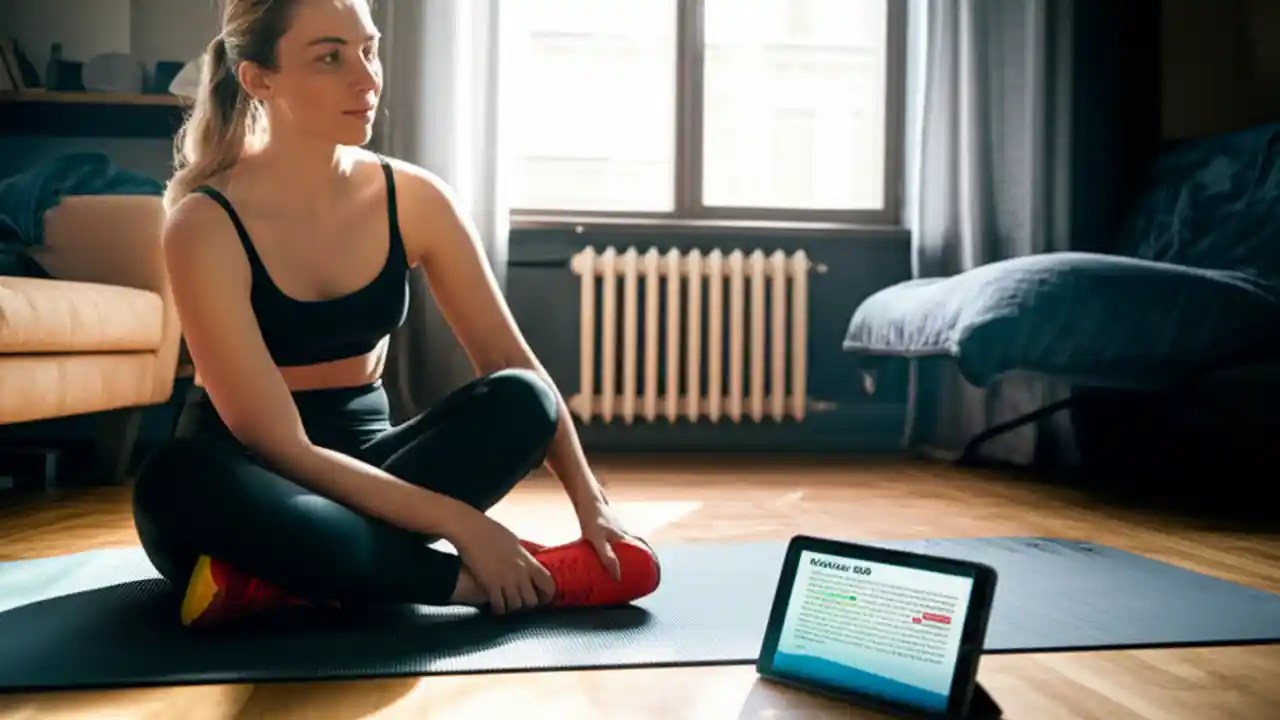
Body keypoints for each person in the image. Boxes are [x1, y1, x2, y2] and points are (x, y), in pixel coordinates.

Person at [131, 0, 660, 631]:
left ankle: (281, 580)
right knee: (175, 479)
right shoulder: (204, 222)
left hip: (381, 476)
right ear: (258, 79)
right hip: (250, 487)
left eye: (370, 50)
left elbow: (510, 361)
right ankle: (494, 585)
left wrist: (590, 502)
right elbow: (281, 446)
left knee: (524, 400)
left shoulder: (415, 198)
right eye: (330, 57)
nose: (367, 78)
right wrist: (463, 526)